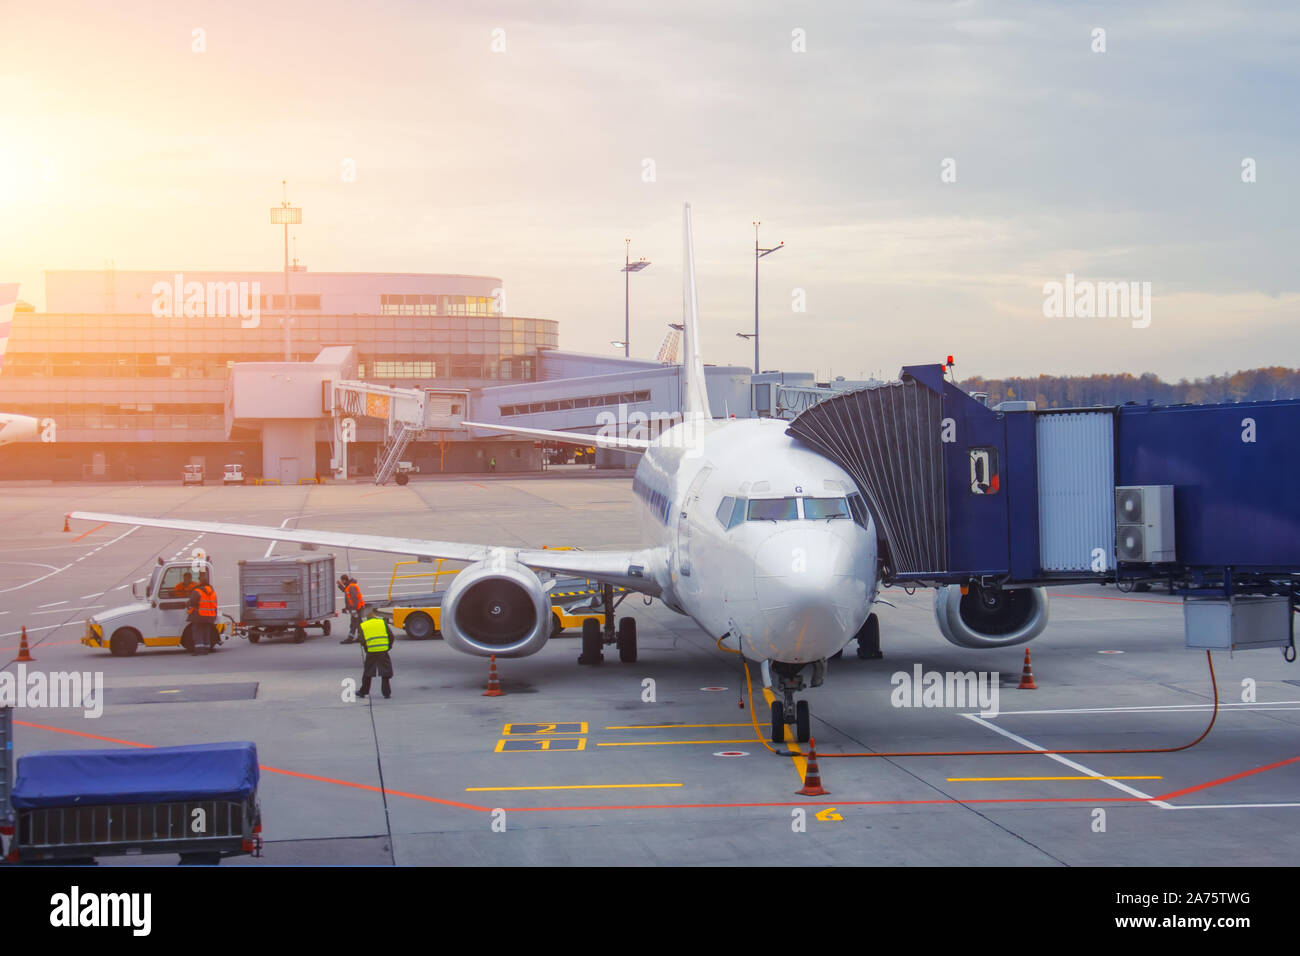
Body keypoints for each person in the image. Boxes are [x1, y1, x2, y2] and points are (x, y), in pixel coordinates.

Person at [357, 609, 395, 699]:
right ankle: (387, 693)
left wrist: (367, 648)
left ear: (367, 618)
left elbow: (362, 640)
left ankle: (363, 691)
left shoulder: (364, 625)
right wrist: (388, 647)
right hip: (383, 650)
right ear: (375, 617)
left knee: (368, 671)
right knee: (385, 672)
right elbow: (391, 636)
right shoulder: (382, 623)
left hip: (371, 651)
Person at [187, 572, 219, 654]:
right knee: (206, 631)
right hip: (210, 616)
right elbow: (215, 604)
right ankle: (206, 649)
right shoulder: (213, 592)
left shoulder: (197, 591)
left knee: (197, 631)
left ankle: (199, 650)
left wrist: (187, 604)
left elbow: (192, 602)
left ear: (200, 581)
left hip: (200, 615)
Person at [339, 574, 365, 644]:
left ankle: (350, 638)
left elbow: (354, 599)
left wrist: (353, 609)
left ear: (344, 580)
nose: (341, 582)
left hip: (356, 608)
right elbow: (345, 590)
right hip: (357, 608)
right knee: (359, 623)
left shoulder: (352, 586)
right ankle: (361, 637)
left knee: (353, 623)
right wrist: (340, 586)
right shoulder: (350, 586)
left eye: (342, 581)